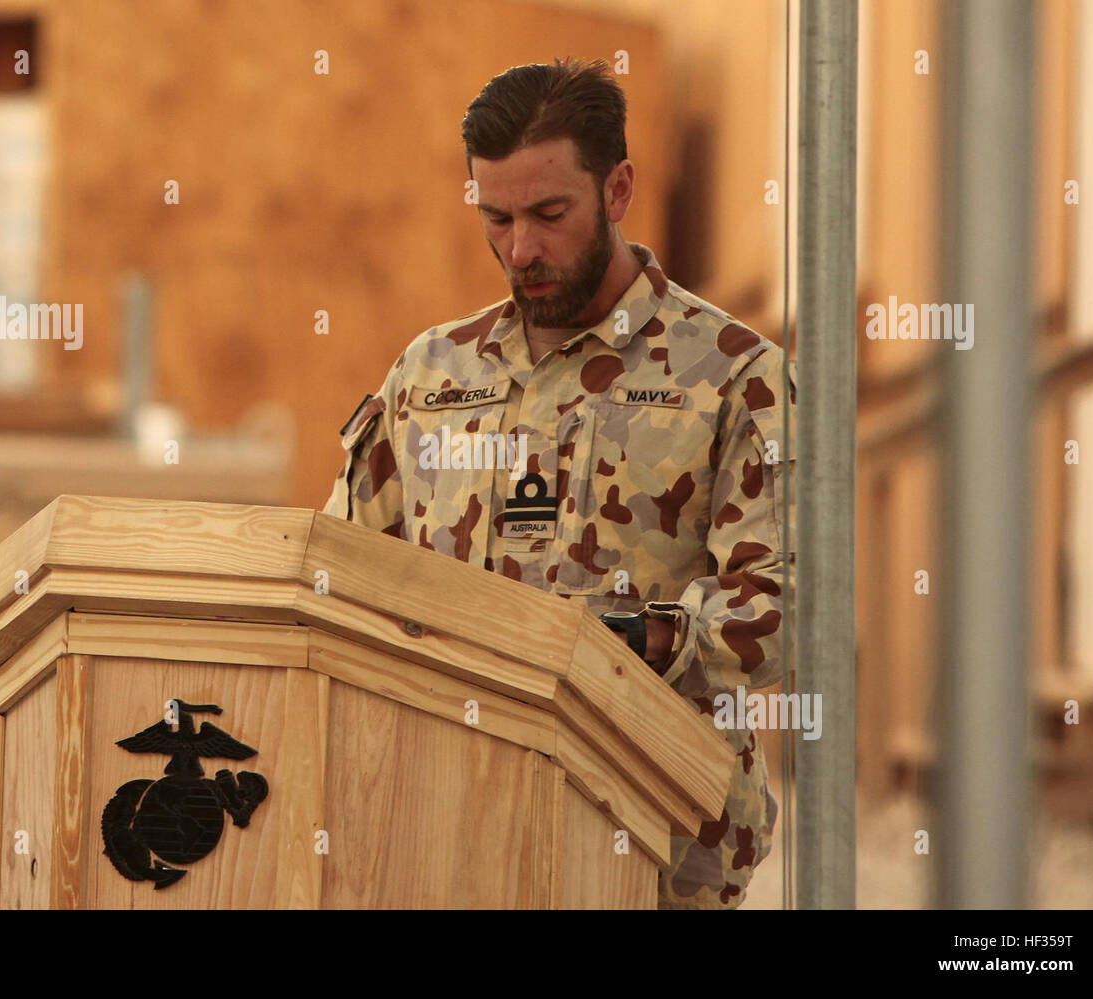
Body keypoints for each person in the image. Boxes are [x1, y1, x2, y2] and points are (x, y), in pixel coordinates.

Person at [324, 57, 795, 910]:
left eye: (549, 214)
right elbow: (341, 571)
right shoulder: (429, 375)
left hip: (656, 842)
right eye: (495, 217)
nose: (522, 248)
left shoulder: (731, 376)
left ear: (617, 190)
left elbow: (788, 609)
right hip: (448, 827)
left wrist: (638, 640)